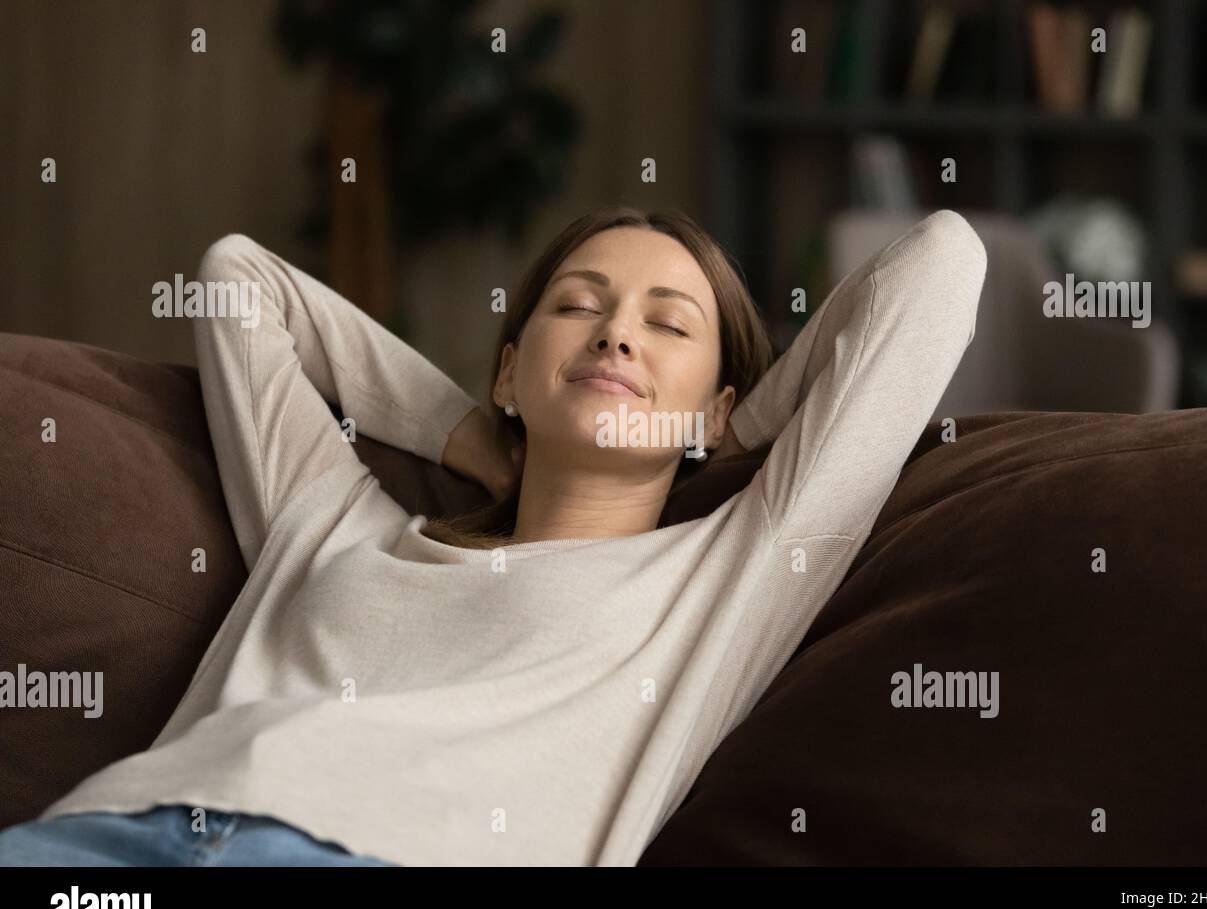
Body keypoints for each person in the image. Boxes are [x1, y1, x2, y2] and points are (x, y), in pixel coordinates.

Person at [0, 206, 985, 866]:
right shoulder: (331, 517)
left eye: (667, 325)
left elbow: (944, 257)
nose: (615, 335)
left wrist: (724, 438)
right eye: (578, 304)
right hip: (110, 851)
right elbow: (235, 280)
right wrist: (474, 434)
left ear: (719, 402)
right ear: (511, 371)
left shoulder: (722, 575)